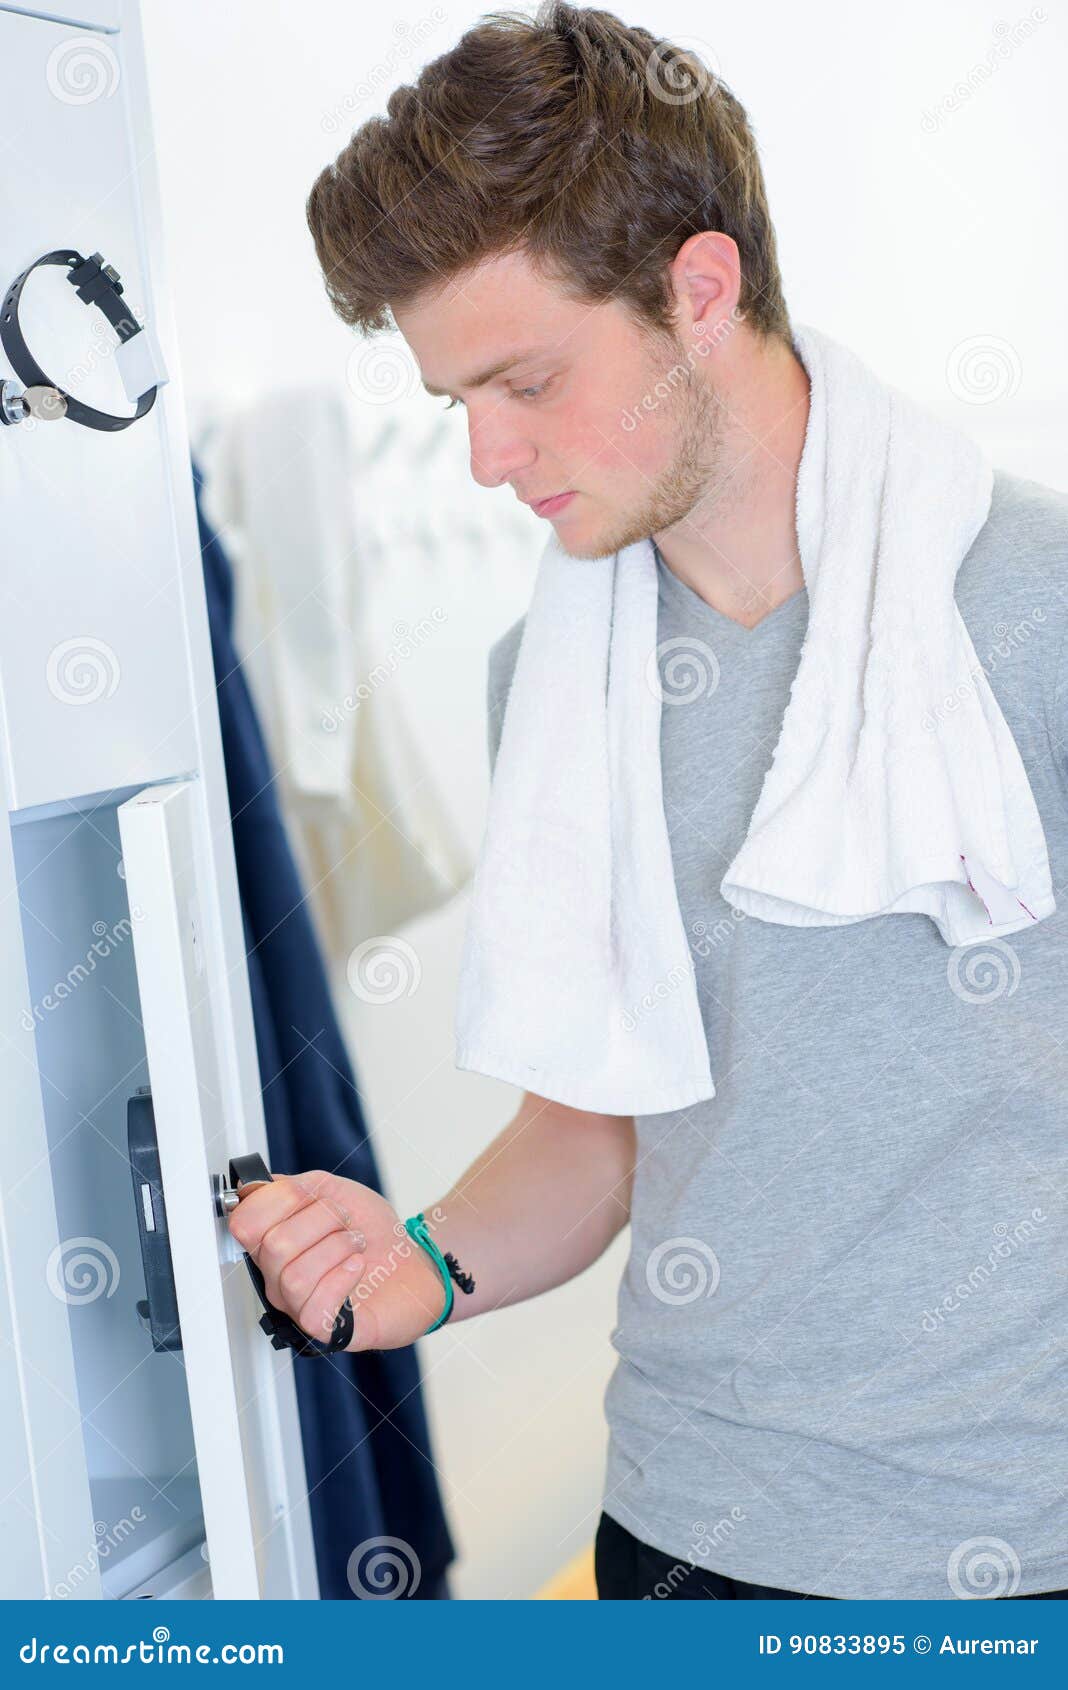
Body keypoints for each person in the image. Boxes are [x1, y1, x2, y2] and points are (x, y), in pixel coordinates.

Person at [228, 2, 1068, 1600]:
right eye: (455, 402)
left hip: (1014, 1546)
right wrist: (418, 1263)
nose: (487, 458)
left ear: (700, 288)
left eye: (527, 380)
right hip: (683, 1529)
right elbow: (603, 1125)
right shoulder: (554, 684)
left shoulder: (1031, 605)